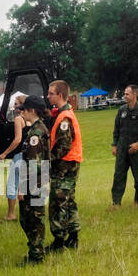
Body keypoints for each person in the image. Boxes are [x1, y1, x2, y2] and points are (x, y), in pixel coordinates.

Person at [46, 80, 83, 250]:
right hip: (71, 162)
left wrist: (49, 160)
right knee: (68, 200)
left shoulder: (64, 118)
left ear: (60, 95)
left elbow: (63, 145)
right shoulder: (65, 113)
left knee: (58, 202)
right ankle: (73, 237)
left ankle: (59, 240)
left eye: (50, 93)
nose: (48, 96)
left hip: (64, 164)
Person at [16, 94, 52, 265]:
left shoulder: (35, 133)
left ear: (31, 110)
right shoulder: (39, 128)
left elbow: (32, 162)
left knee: (32, 219)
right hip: (39, 180)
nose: (22, 113)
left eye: (24, 110)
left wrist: (23, 187)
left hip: (34, 183)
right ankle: (35, 251)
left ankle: (36, 256)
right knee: (30, 218)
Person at [110, 84, 138, 207]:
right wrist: (114, 144)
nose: (124, 96)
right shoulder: (121, 110)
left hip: (135, 149)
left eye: (127, 94)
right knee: (118, 176)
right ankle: (116, 203)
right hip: (122, 148)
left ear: (134, 94)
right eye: (124, 94)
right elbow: (116, 128)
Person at [0, 91, 27, 220]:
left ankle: (11, 214)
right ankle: (25, 214)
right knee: (25, 186)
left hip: (18, 156)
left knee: (12, 185)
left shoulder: (18, 119)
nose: (14, 106)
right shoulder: (31, 120)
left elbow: (17, 139)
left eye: (16, 104)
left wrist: (4, 153)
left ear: (22, 106)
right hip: (28, 156)